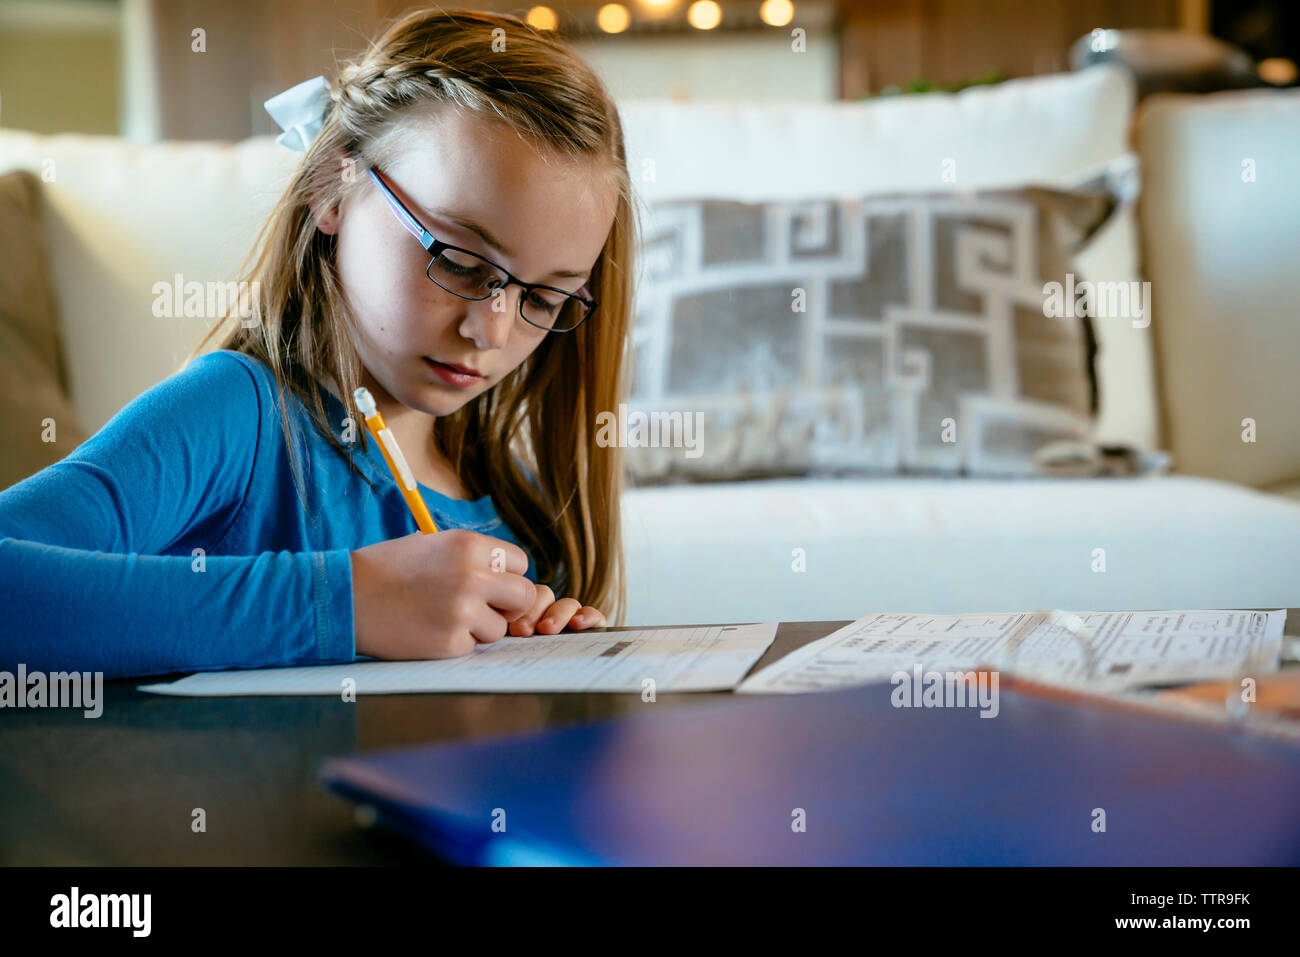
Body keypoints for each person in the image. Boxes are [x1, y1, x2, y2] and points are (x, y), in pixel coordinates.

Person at [0, 9, 634, 679]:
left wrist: (551, 659)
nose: (492, 331)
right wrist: (346, 602)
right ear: (332, 188)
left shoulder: (522, 506)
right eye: (458, 262)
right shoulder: (239, 416)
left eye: (542, 299)